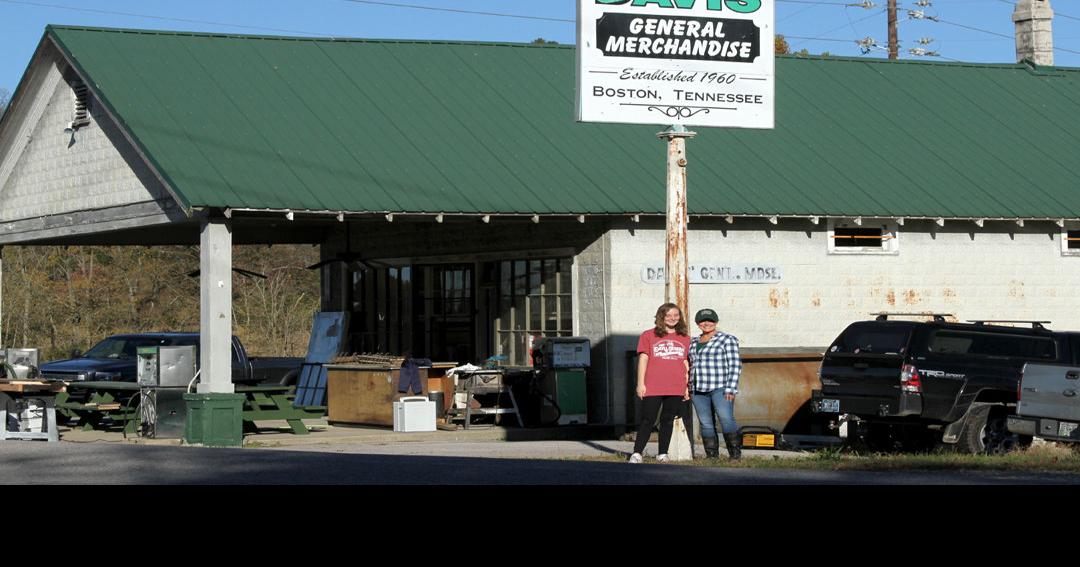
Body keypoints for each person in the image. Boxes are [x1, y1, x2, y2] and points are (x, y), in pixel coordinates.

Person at [629, 303, 691, 464]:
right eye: (668, 315)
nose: (672, 318)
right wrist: (640, 383)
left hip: (675, 385)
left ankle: (662, 453)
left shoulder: (685, 338)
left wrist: (686, 387)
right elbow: (643, 359)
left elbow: (685, 363)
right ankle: (637, 453)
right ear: (661, 316)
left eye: (676, 315)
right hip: (653, 385)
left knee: (668, 419)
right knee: (647, 419)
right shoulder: (649, 335)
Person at [689, 308, 743, 459]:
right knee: (705, 423)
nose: (706, 323)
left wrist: (731, 388)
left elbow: (734, 365)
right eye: (702, 321)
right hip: (697, 389)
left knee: (726, 419)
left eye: (710, 320)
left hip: (720, 387)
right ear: (697, 323)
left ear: (716, 322)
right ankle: (712, 456)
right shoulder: (693, 342)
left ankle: (735, 455)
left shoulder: (727, 339)